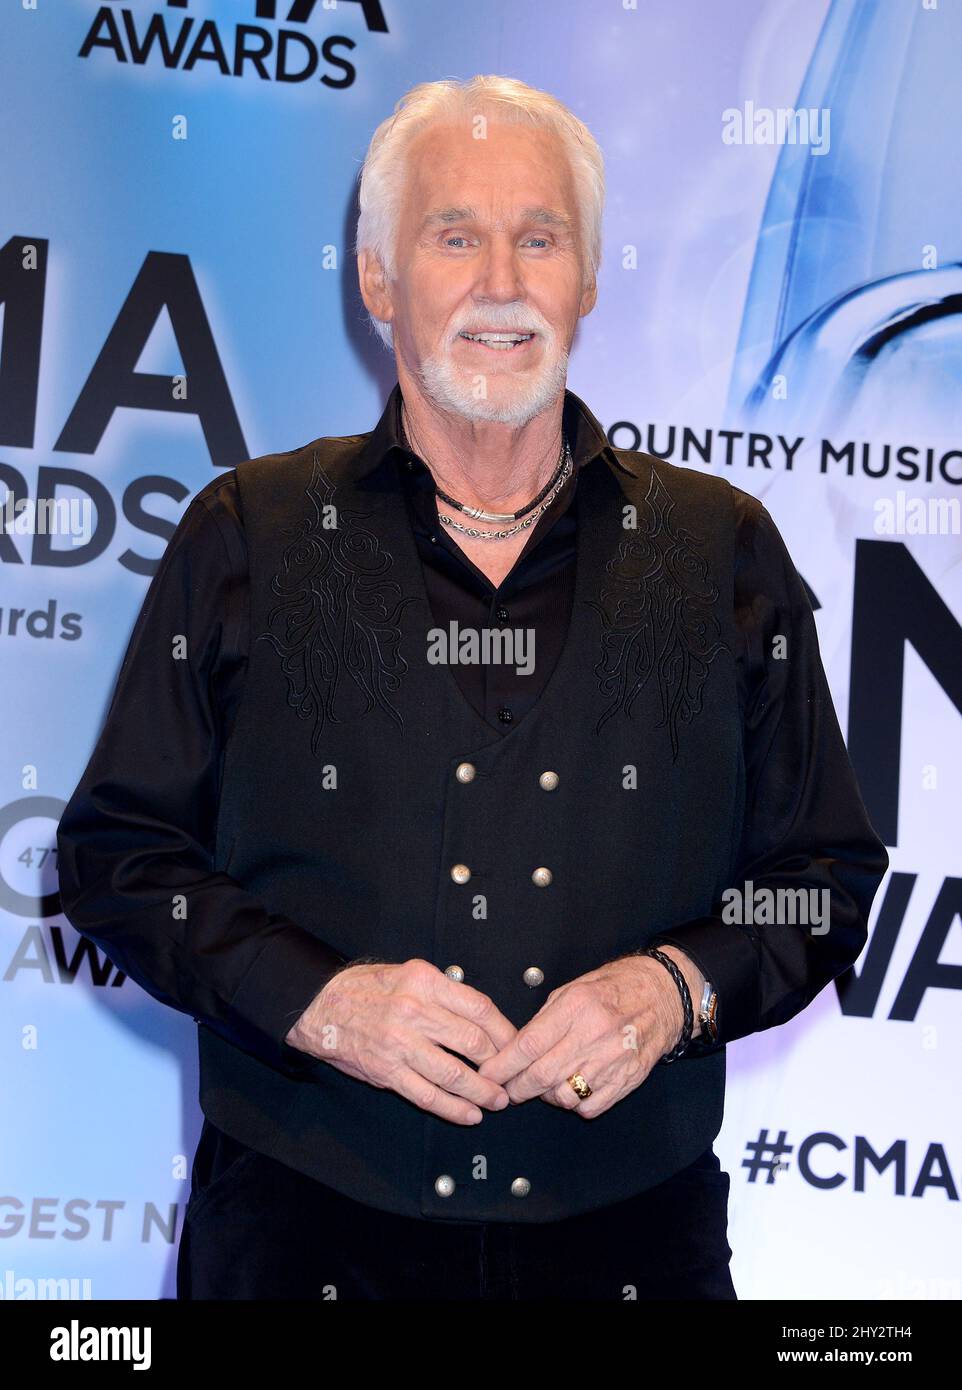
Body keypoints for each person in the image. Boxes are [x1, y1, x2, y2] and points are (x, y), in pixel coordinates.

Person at [56, 75, 889, 1301]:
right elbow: (117, 858)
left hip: (632, 1254)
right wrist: (320, 1001)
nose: (501, 281)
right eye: (455, 236)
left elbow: (828, 878)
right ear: (378, 281)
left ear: (589, 280)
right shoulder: (248, 532)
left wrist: (672, 990)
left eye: (538, 238)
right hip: (300, 1243)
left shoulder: (721, 550)